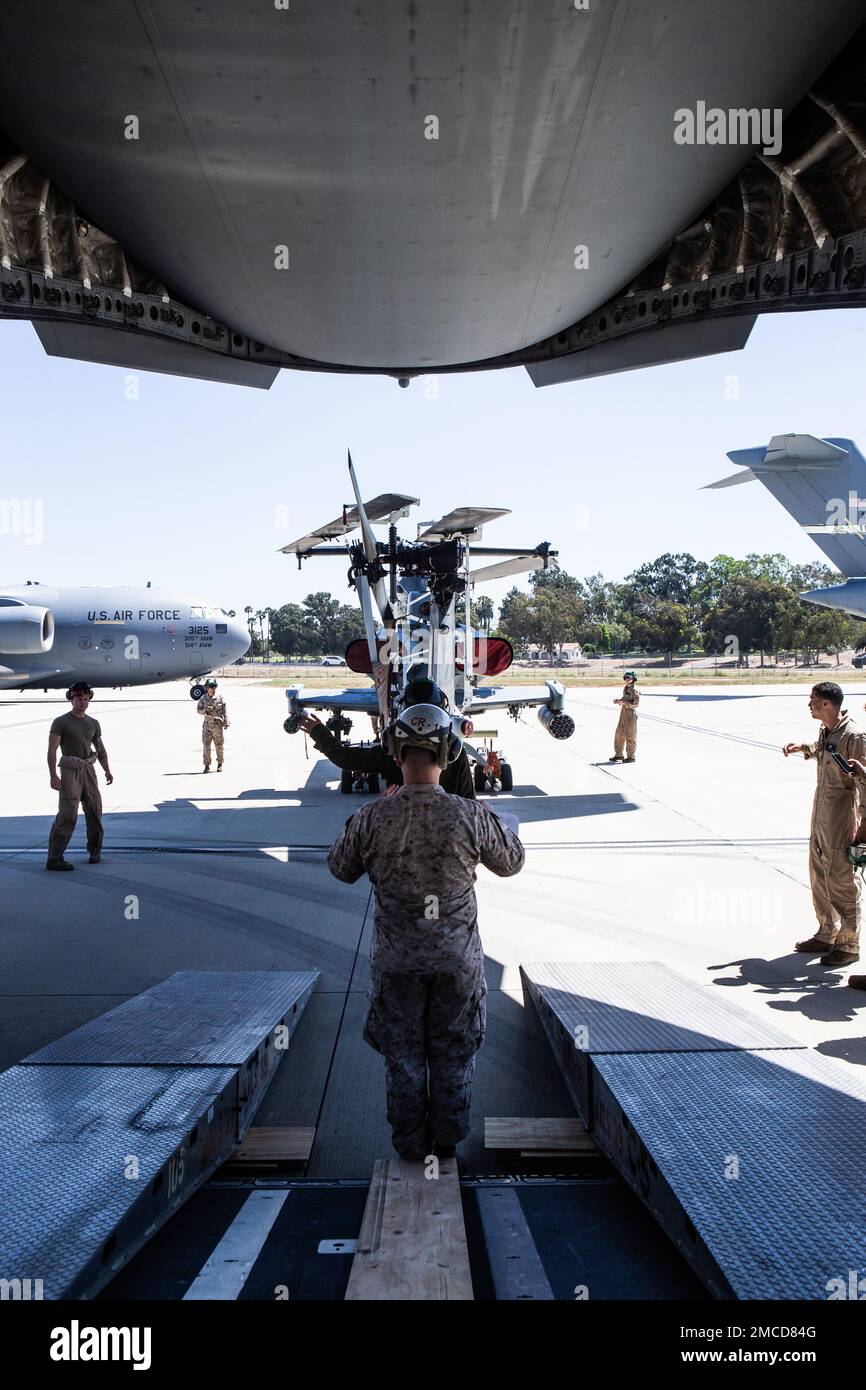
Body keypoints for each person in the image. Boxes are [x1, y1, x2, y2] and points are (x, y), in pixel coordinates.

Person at [327, 702, 524, 1160]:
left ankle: (412, 1147)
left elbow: (340, 868)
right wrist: (495, 821)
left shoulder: (373, 817)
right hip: (457, 964)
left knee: (404, 1059)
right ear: (450, 752)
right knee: (454, 1056)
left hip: (397, 965)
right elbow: (510, 863)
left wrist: (371, 818)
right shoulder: (469, 815)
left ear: (395, 752)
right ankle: (449, 1143)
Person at [783, 681, 866, 967]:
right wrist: (803, 747)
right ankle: (827, 932)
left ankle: (848, 945)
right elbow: (824, 749)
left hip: (843, 817)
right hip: (822, 813)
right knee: (819, 874)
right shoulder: (828, 729)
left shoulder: (855, 736)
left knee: (842, 880)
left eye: (813, 700)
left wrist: (863, 823)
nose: (810, 704)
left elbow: (863, 781)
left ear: (827, 704)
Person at [297, 675, 476, 798]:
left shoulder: (394, 747)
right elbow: (469, 800)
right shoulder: (454, 749)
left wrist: (319, 732)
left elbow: (345, 758)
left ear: (397, 759)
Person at [46, 681, 113, 870]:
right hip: (69, 769)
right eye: (78, 699)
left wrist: (107, 769)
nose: (83, 702)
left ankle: (95, 851)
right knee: (68, 813)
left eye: (86, 699)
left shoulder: (93, 723)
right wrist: (53, 775)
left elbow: (100, 749)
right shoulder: (61, 722)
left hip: (88, 769)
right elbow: (52, 750)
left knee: (94, 811)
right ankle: (55, 857)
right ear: (71, 699)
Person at [197, 677, 229, 772]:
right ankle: (207, 766)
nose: (212, 688)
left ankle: (220, 764)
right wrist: (205, 711)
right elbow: (198, 710)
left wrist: (226, 721)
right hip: (207, 727)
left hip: (217, 726)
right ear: (207, 688)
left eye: (214, 686)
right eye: (211, 687)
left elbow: (225, 711)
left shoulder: (220, 698)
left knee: (219, 746)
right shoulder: (203, 698)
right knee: (206, 746)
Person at [610, 671, 639, 763]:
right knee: (619, 734)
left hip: (631, 715)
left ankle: (631, 757)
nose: (627, 679)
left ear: (633, 679)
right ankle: (619, 754)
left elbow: (635, 704)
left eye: (629, 677)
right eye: (626, 677)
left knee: (630, 736)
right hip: (623, 714)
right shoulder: (626, 688)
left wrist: (624, 703)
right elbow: (626, 700)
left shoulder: (634, 690)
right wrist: (619, 701)